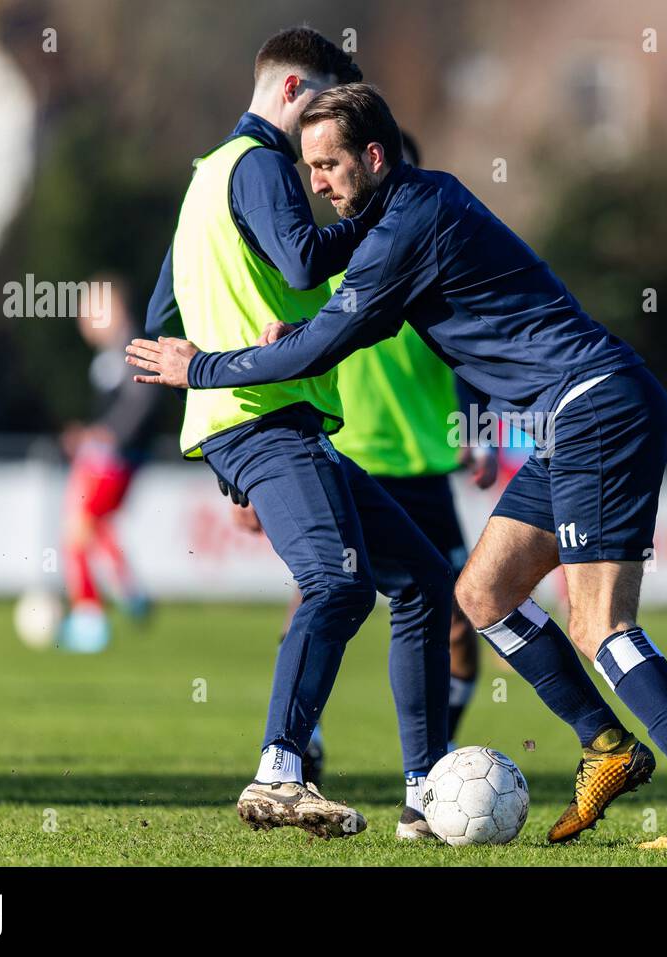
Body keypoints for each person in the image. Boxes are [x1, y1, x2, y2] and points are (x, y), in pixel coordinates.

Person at [128, 84, 667, 850]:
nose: (316, 184)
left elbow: (326, 346)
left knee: (599, 623)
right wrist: (298, 332)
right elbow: (349, 325)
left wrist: (200, 367)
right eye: (308, 168)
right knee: (480, 592)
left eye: (327, 165)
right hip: (578, 415)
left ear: (373, 156)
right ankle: (606, 746)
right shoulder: (419, 206)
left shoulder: (407, 224)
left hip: (594, 409)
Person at [143, 29, 453, 841]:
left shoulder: (205, 176)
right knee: (338, 584)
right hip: (264, 417)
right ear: (289, 90)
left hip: (252, 421)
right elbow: (305, 260)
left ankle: (425, 793)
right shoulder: (261, 163)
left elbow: (159, 312)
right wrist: (386, 211)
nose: (325, 127)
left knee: (424, 578)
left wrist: (201, 387)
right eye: (320, 101)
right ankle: (279, 770)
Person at [233, 133, 498, 784]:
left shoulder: (432, 249)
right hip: (346, 452)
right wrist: (248, 477)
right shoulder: (326, 258)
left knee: (457, 616)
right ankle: (303, 741)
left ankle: (436, 766)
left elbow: (465, 349)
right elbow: (284, 351)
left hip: (422, 460)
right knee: (321, 593)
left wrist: (478, 427)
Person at [59, 276, 163, 653]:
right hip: (112, 457)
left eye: (90, 309)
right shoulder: (110, 353)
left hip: (116, 461)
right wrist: (91, 434)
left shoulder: (129, 347)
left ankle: (90, 618)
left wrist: (109, 435)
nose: (83, 319)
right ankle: (130, 593)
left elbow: (143, 400)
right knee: (97, 528)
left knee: (77, 529)